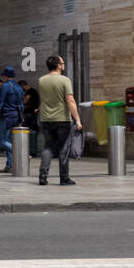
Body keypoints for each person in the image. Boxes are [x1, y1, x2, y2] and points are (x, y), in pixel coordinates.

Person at [38, 54, 84, 185]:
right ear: (58, 65)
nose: (63, 65)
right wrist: (78, 120)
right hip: (62, 119)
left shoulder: (41, 80)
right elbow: (70, 101)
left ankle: (43, 176)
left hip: (46, 118)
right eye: (62, 63)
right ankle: (64, 178)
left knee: (48, 147)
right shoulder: (65, 80)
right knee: (63, 148)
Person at [0, 66, 23, 173]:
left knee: (2, 141)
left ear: (5, 76)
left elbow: (0, 102)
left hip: (7, 116)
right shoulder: (19, 87)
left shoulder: (5, 86)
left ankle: (22, 155)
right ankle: (10, 165)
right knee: (10, 140)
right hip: (16, 116)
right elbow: (21, 104)